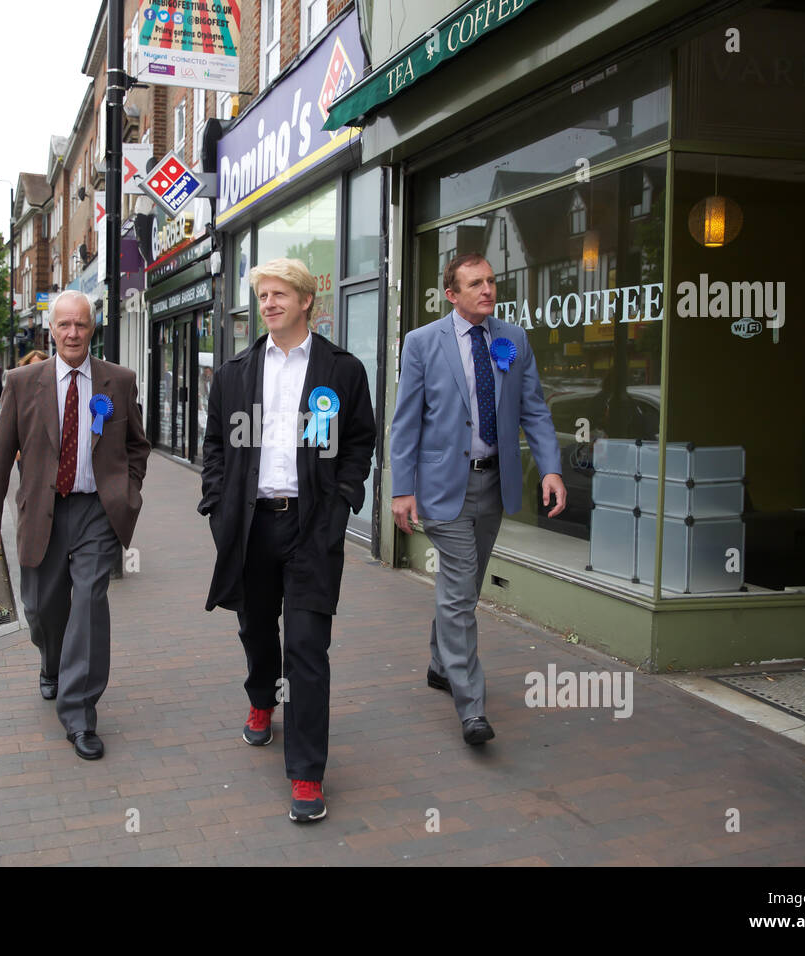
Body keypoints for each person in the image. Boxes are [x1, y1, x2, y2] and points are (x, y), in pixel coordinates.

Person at [199, 257, 376, 823]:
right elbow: (216, 450)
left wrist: (343, 498)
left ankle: (305, 773)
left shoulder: (340, 371)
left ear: (306, 302)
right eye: (263, 295)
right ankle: (259, 700)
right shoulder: (233, 374)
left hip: (311, 526)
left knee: (306, 645)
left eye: (280, 294)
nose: (269, 303)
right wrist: (215, 504)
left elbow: (359, 441)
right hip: (251, 528)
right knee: (255, 627)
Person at [389, 252, 566, 747]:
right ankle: (472, 707)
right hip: (444, 487)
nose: (488, 290)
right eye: (475, 284)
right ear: (452, 294)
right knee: (462, 593)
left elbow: (533, 408)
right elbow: (406, 421)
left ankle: (439, 664)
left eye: (491, 281)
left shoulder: (511, 340)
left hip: (494, 484)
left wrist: (550, 469)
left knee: (459, 584)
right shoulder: (424, 343)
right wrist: (402, 488)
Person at [0, 291, 150, 760]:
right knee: (42, 608)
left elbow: (137, 444)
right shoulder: (22, 381)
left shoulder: (118, 380)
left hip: (96, 511)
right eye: (64, 326)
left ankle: (79, 714)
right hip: (43, 511)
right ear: (50, 330)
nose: (73, 334)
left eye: (82, 325)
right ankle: (51, 662)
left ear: (93, 329)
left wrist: (127, 491)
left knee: (90, 604)